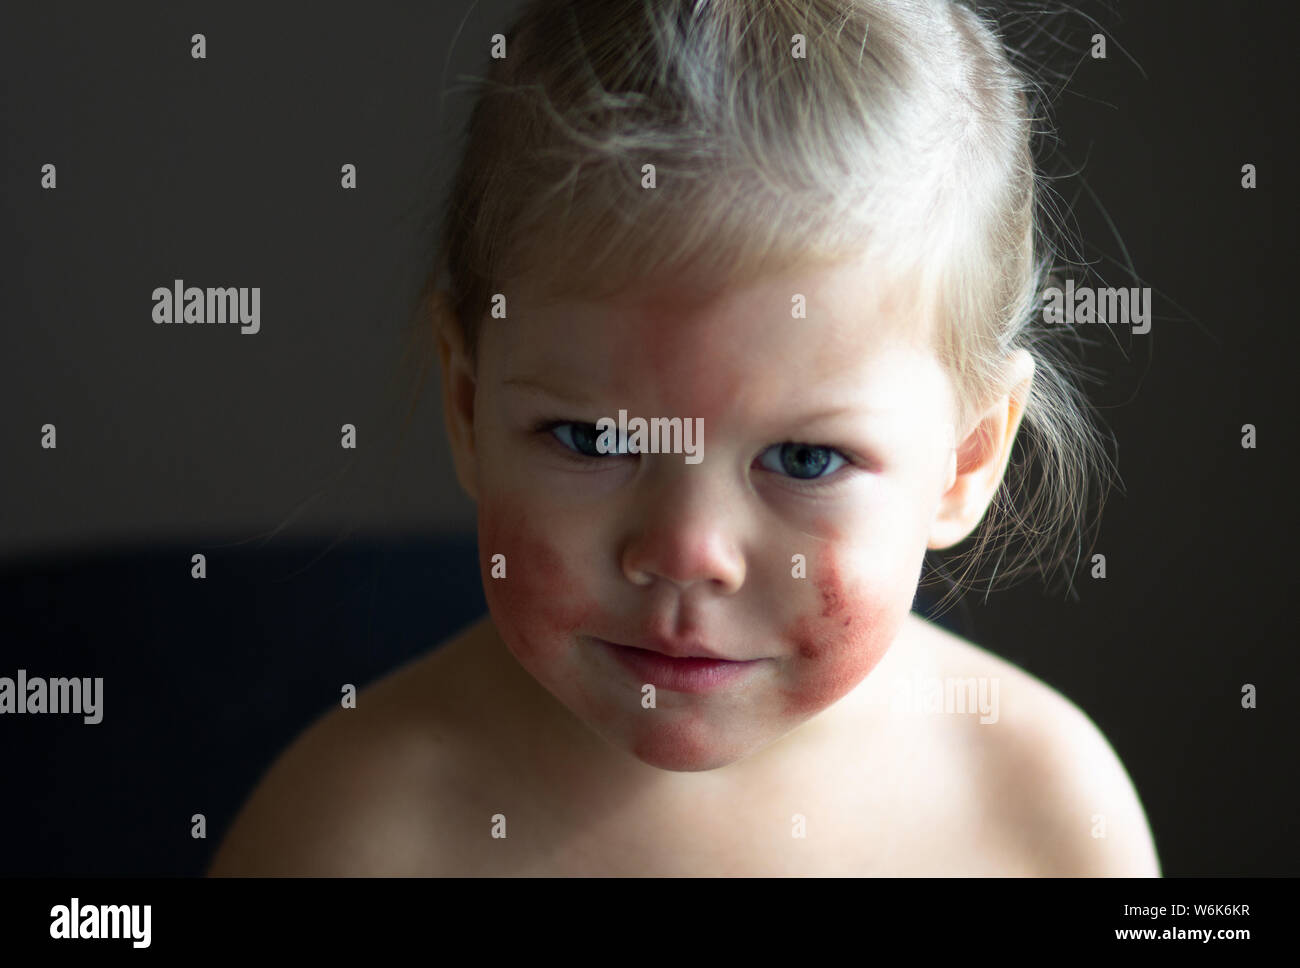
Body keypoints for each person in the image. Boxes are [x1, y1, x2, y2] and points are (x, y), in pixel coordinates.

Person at [209, 0, 1160, 876]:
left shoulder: (1044, 810)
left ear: (964, 461)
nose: (684, 552)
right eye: (589, 437)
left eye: (805, 458)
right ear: (468, 410)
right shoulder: (354, 836)